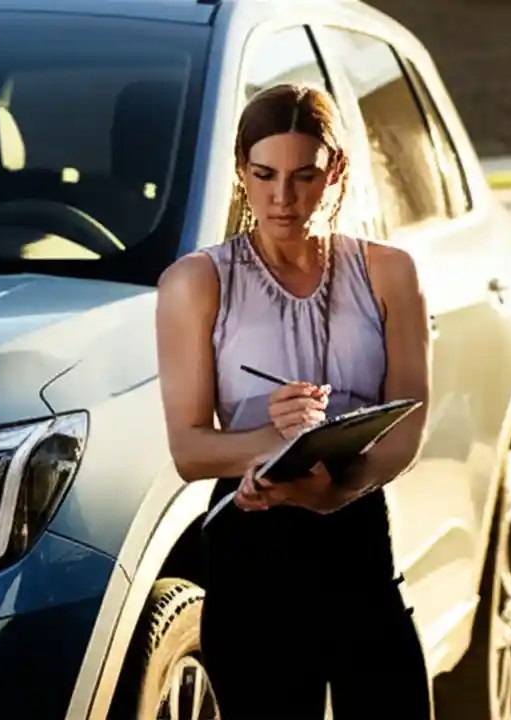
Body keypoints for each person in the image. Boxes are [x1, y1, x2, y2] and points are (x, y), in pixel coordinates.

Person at [154, 83, 433, 718]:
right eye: (265, 175)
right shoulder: (196, 282)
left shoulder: (390, 272)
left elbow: (408, 422)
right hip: (251, 556)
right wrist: (274, 444)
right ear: (241, 172)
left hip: (359, 540)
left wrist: (334, 491)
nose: (283, 198)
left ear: (335, 170)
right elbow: (189, 449)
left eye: (305, 176)